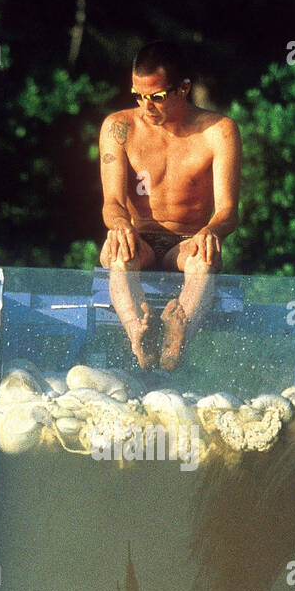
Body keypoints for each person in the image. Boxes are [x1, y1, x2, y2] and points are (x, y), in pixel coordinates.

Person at [98, 41, 241, 370]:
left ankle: (178, 341)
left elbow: (228, 212)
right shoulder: (119, 128)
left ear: (184, 89)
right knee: (118, 251)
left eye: (157, 97)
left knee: (204, 258)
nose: (146, 107)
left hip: (187, 241)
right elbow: (113, 204)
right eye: (138, 96)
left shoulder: (218, 131)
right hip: (139, 238)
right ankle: (139, 334)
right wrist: (120, 226)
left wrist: (210, 232)